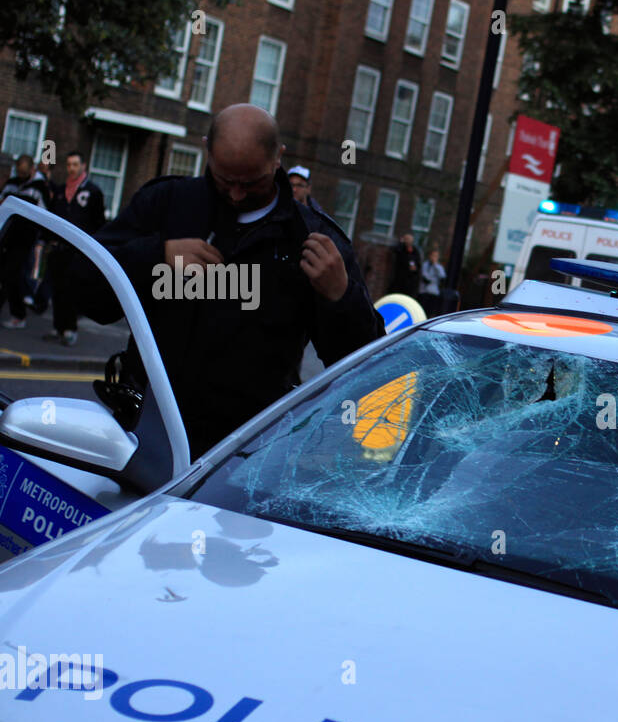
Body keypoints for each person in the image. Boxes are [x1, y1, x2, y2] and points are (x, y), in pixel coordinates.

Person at [68, 103, 386, 459]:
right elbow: (83, 290)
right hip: (142, 432)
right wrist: (156, 254)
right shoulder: (167, 204)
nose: (236, 194)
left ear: (277, 158)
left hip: (240, 458)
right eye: (224, 179)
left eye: (251, 182)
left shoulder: (310, 237)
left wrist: (341, 297)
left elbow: (366, 368)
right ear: (207, 150)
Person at [38, 150, 105, 346]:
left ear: (83, 166)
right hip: (59, 249)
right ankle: (59, 327)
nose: (72, 169)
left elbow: (98, 223)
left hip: (78, 252)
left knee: (70, 291)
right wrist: (46, 239)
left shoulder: (93, 192)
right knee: (57, 290)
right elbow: (51, 217)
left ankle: (70, 329)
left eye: (75, 164)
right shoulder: (59, 191)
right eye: (69, 165)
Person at [0, 154, 49, 330]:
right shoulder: (12, 183)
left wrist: (41, 237)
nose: (21, 176)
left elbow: (44, 213)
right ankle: (18, 313)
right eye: (19, 173)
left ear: (31, 170)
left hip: (24, 239)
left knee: (10, 275)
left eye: (24, 173)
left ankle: (19, 314)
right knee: (9, 276)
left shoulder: (39, 187)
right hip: (6, 236)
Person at [389, 232, 421, 297]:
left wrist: (415, 268)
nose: (408, 241)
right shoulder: (401, 248)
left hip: (410, 280)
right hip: (399, 278)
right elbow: (395, 251)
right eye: (406, 239)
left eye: (409, 239)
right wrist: (400, 243)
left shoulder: (415, 250)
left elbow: (418, 263)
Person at [419, 246, 445, 314]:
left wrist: (435, 265)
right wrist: (431, 279)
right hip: (423, 291)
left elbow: (442, 276)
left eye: (436, 256)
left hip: (433, 292)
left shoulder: (439, 267)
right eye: (433, 255)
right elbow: (424, 275)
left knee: (430, 311)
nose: (433, 257)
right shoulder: (425, 264)